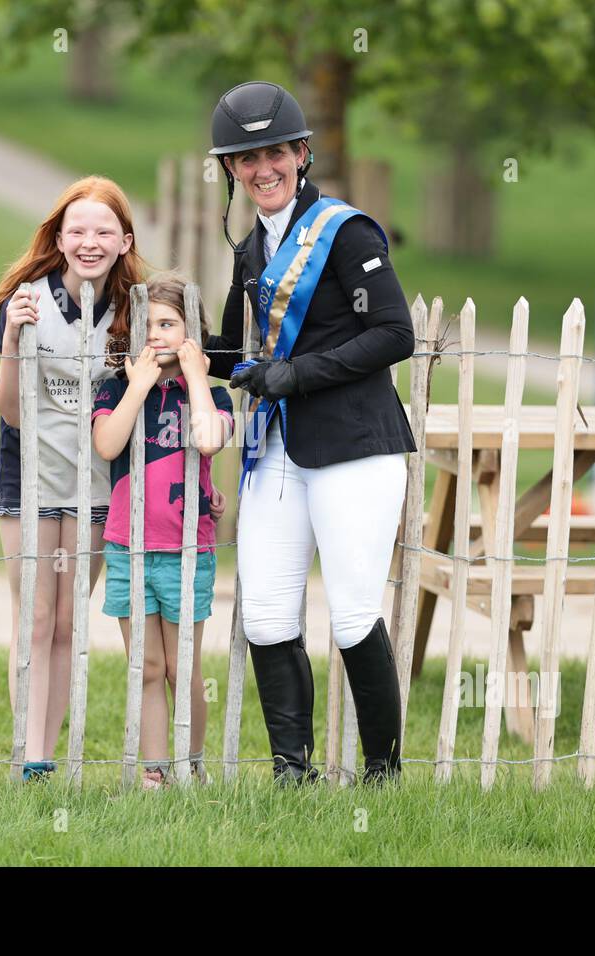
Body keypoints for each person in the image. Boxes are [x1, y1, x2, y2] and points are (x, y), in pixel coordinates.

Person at [205, 81, 416, 783]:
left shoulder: (346, 232)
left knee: (353, 613)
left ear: (301, 153)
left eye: (274, 153)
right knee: (265, 613)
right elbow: (243, 358)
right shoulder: (250, 250)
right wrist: (171, 346)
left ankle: (383, 776)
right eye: (245, 158)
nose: (262, 169)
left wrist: (298, 375)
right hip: (279, 454)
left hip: (355, 446)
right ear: (229, 169)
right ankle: (292, 775)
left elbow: (394, 334)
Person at [0, 175, 146, 781]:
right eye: (76, 229)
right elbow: (11, 410)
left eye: (104, 230)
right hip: (27, 478)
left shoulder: (133, 314)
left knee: (67, 619)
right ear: (57, 236)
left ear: (124, 240)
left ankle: (47, 752)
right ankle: (30, 756)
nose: (89, 241)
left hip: (96, 484)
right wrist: (10, 338)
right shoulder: (25, 302)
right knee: (34, 616)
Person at [91, 274, 235, 789]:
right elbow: (108, 444)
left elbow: (209, 440)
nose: (156, 334)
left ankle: (190, 761)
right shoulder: (115, 387)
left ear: (192, 332)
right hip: (127, 550)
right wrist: (137, 387)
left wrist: (197, 375)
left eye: (169, 324)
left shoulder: (213, 397)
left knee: (182, 668)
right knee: (147, 667)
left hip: (185, 552)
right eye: (147, 324)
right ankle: (154, 771)